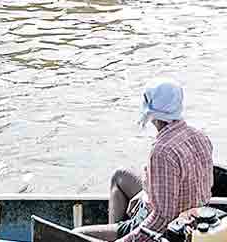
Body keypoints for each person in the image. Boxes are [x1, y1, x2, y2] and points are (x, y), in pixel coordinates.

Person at [74, 79, 214, 242]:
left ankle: (118, 234)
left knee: (77, 234)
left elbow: (162, 219)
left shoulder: (162, 151)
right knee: (120, 176)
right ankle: (117, 229)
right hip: (193, 216)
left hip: (172, 229)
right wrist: (145, 194)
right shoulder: (199, 136)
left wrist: (125, 241)